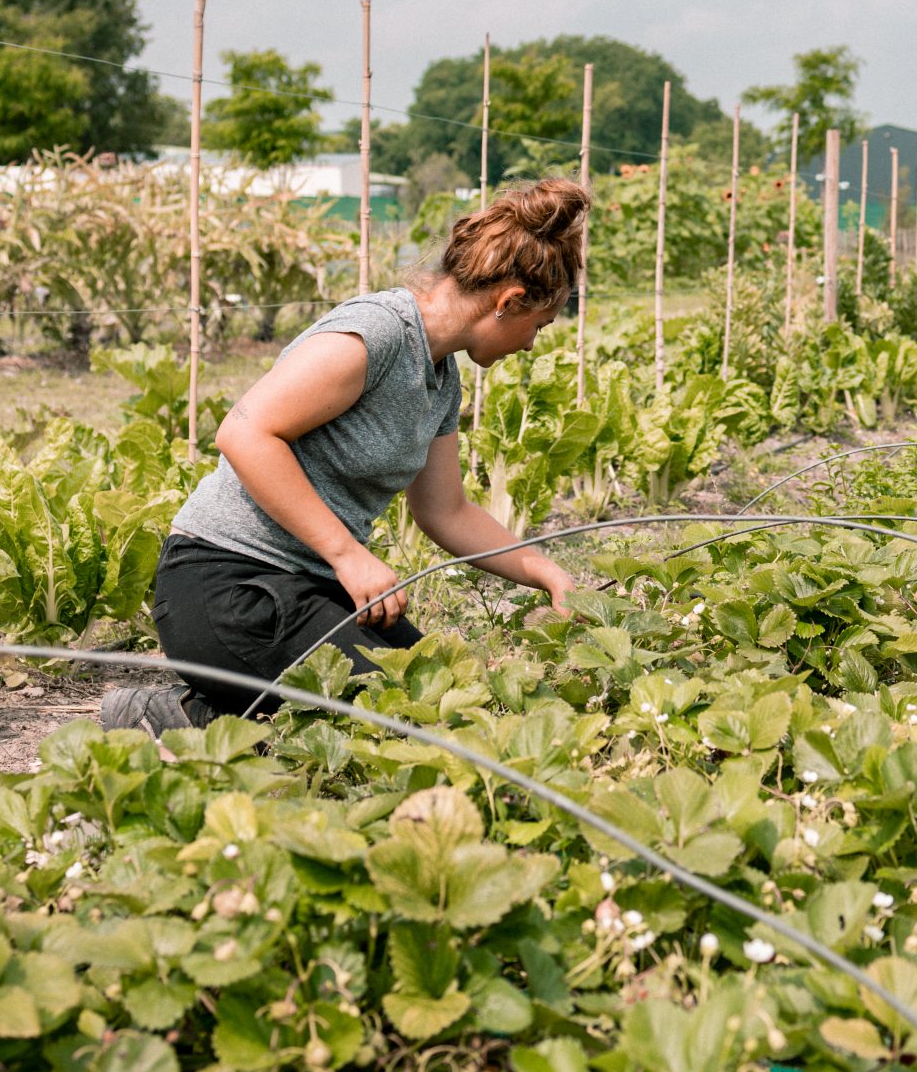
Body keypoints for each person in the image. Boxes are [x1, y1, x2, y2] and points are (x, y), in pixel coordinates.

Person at [100, 177, 586, 731]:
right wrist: (346, 554)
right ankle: (179, 718)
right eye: (538, 326)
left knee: (445, 694)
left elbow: (446, 511)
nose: (531, 343)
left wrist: (549, 573)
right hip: (227, 587)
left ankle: (214, 716)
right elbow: (244, 433)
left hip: (313, 590)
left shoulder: (441, 377)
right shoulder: (375, 334)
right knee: (399, 718)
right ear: (509, 301)